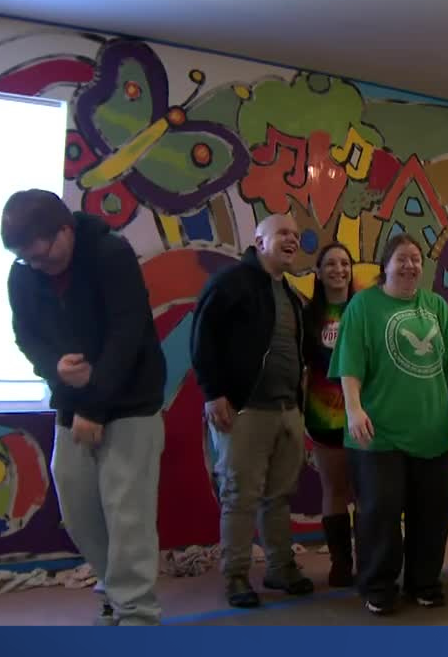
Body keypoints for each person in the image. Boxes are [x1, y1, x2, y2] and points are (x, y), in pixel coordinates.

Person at [2, 189, 167, 627]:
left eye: (45, 255)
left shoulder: (110, 254)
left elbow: (127, 333)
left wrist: (94, 405)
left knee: (126, 511)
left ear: (65, 231)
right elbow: (27, 337)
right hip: (72, 404)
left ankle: (136, 614)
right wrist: (52, 366)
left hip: (132, 400)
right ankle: (113, 591)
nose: (39, 265)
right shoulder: (23, 275)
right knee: (77, 507)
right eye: (28, 259)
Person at [328, 233, 448, 615]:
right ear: (385, 266)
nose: (409, 265)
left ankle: (424, 582)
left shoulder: (435, 306)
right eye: (401, 259)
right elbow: (350, 363)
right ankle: (379, 586)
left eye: (416, 259)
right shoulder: (363, 307)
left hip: (430, 432)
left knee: (433, 511)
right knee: (380, 512)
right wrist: (354, 409)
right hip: (377, 434)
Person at [190, 214, 314, 608]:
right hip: (244, 412)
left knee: (278, 496)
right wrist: (214, 394)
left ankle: (280, 567)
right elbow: (202, 337)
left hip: (286, 410)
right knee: (239, 496)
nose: (291, 240)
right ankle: (237, 576)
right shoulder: (231, 283)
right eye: (282, 233)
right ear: (259, 242)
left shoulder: (291, 295)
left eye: (295, 235)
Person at [302, 242, 358, 587]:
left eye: (344, 263)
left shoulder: (365, 309)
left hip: (365, 419)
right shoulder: (307, 315)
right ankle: (341, 562)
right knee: (334, 489)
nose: (339, 269)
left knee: (367, 492)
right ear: (319, 273)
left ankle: (371, 560)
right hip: (324, 418)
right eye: (331, 264)